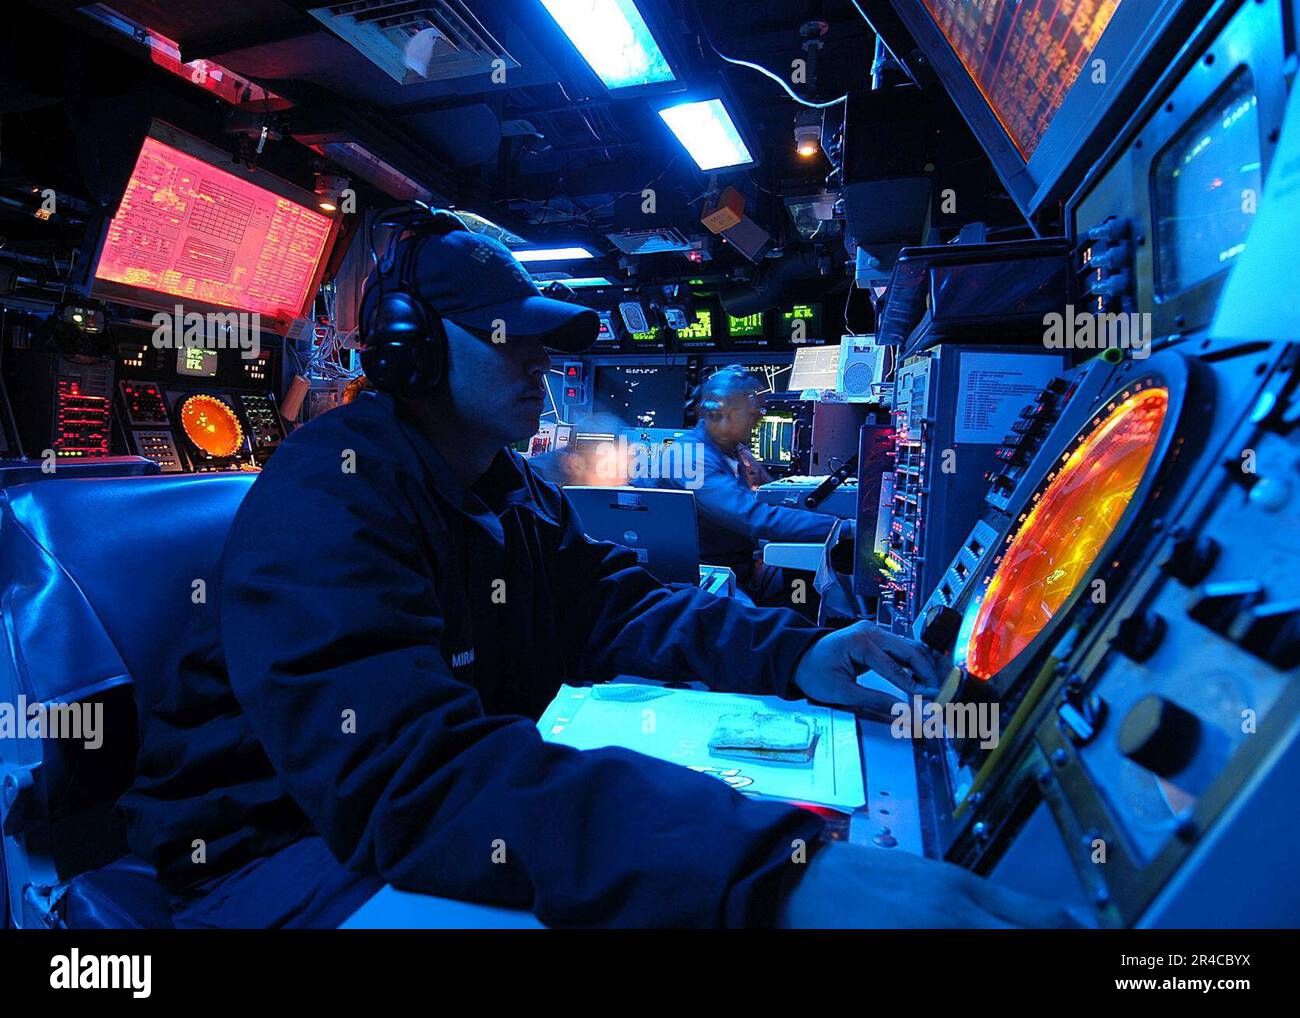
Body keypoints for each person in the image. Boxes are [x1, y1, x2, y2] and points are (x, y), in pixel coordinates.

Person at [119, 209, 1073, 930]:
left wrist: (797, 657)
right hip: (276, 853)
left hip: (404, 815)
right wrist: (776, 870)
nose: (539, 360)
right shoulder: (330, 496)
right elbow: (407, 781)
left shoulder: (503, 484)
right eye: (508, 337)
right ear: (405, 351)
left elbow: (614, 603)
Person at [676, 366, 841, 607]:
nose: (759, 420)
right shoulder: (689, 457)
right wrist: (841, 527)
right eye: (753, 414)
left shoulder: (728, 450)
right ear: (725, 413)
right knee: (772, 615)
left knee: (811, 585)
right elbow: (752, 516)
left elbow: (774, 496)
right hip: (710, 576)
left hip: (741, 568)